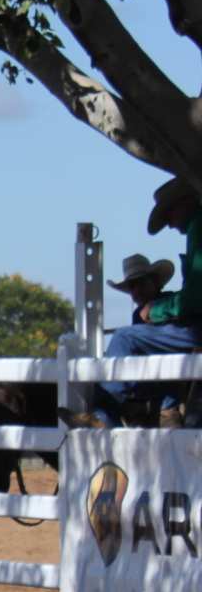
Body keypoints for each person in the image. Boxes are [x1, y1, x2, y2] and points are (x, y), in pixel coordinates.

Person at [68, 179, 202, 428]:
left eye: (169, 215)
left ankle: (103, 416)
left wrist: (159, 310)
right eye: (132, 287)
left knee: (124, 339)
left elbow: (196, 295)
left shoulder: (198, 228)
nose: (170, 224)